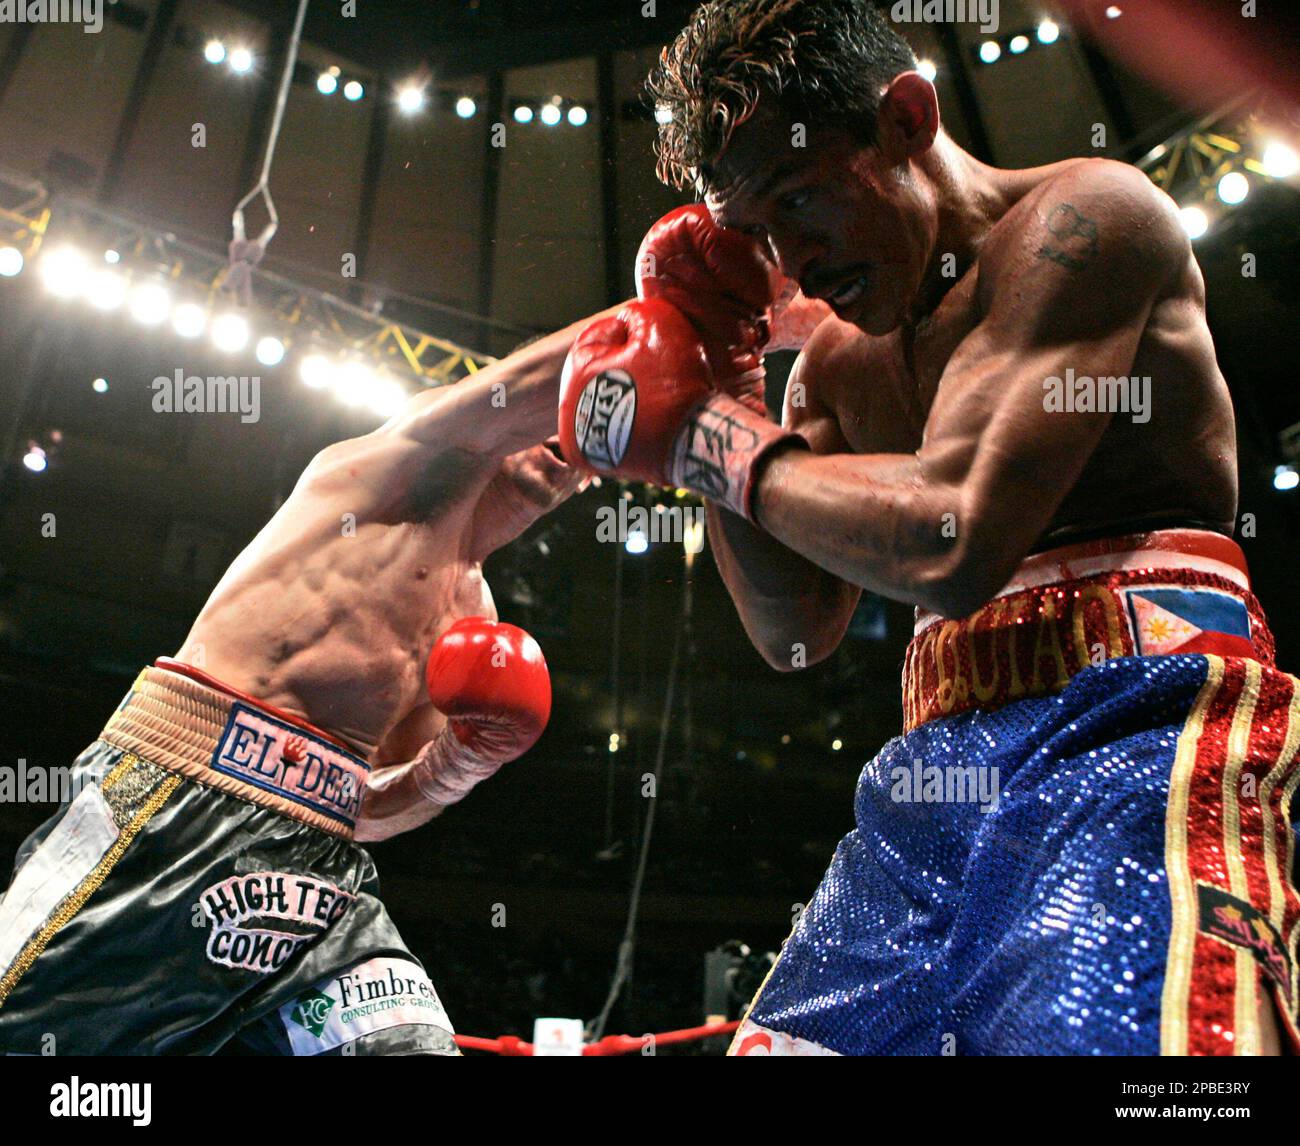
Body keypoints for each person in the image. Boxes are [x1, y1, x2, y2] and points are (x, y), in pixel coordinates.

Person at [557, 0, 1298, 1055]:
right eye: (757, 235)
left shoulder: (1087, 219)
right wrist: (727, 380)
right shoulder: (832, 371)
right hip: (929, 771)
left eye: (801, 200)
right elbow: (794, 633)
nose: (792, 261)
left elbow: (952, 537)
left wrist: (705, 442)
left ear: (905, 117)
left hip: (1131, 726)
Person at [0, 319, 596, 1056]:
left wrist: (459, 766)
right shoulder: (390, 467)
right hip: (178, 799)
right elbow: (546, 376)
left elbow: (369, 807)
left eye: (581, 451)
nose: (562, 453)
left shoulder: (475, 624)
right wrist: (729, 321)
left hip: (319, 876)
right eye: (556, 422)